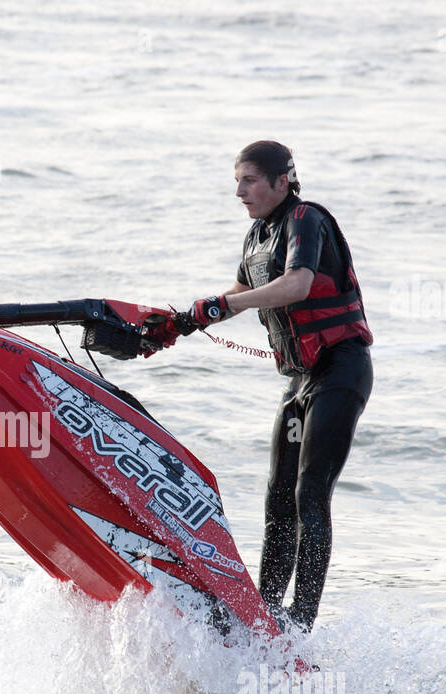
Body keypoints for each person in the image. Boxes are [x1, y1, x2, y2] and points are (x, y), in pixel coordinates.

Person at [174, 141, 374, 632]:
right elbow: (244, 289)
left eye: (248, 181)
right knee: (278, 497)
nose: (239, 192)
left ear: (281, 181)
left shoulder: (305, 219)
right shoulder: (256, 235)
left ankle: (300, 623)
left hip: (340, 371)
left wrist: (227, 305)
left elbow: (297, 284)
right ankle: (262, 614)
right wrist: (190, 316)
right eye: (237, 181)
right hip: (301, 381)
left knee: (311, 493)